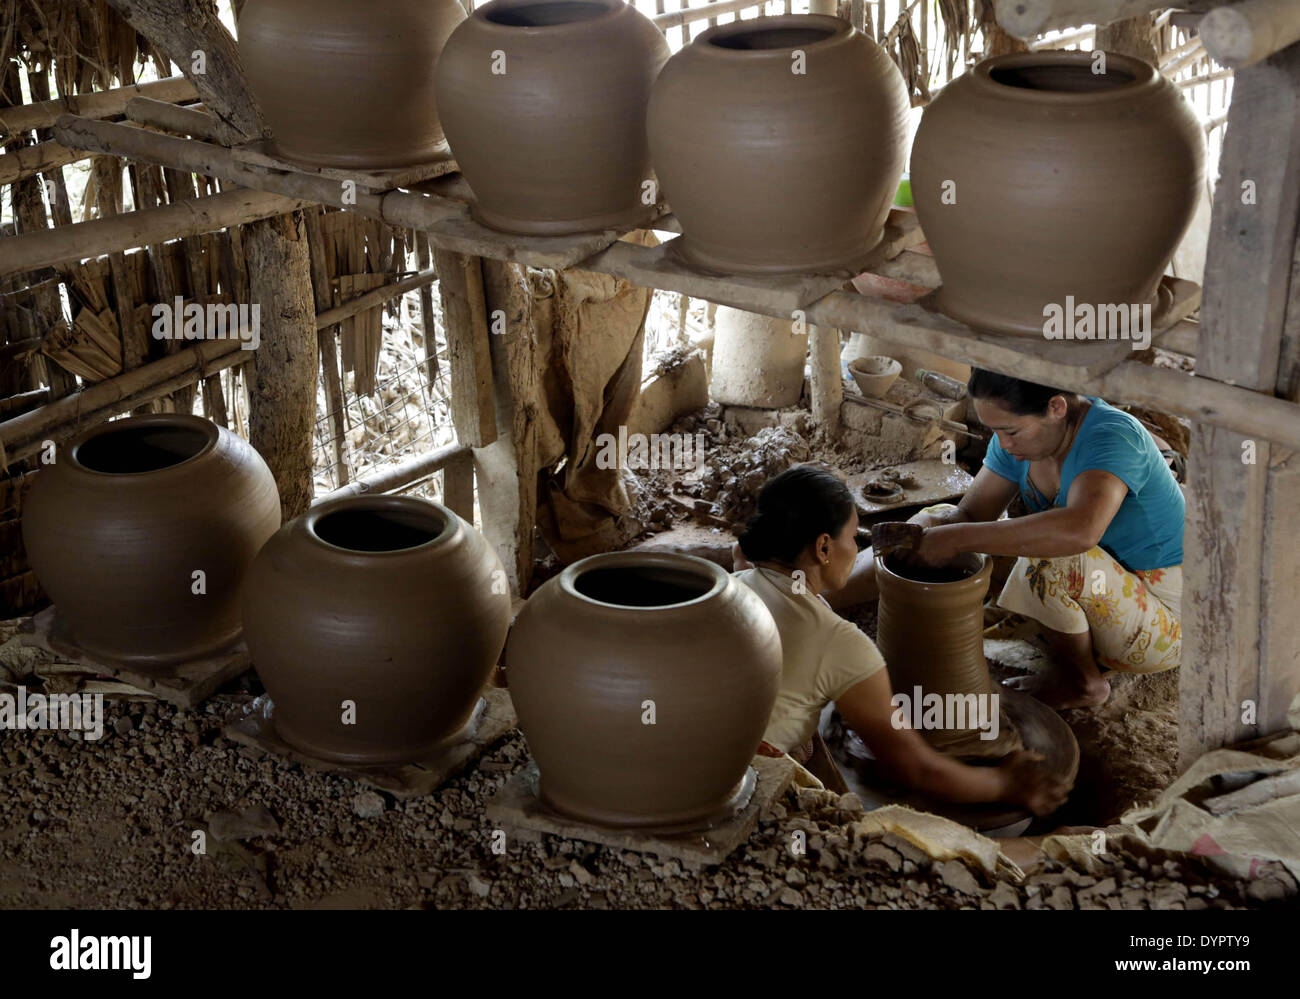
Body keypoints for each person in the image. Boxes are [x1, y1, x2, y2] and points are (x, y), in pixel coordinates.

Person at [732, 465, 1070, 816]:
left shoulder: (734, 584)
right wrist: (1007, 784)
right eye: (852, 537)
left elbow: (743, 559)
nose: (856, 548)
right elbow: (917, 769)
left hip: (688, 750)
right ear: (823, 547)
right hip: (734, 794)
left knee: (805, 736)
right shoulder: (842, 645)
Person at [901, 370, 1185, 709]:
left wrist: (955, 539)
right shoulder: (1021, 440)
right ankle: (833, 598)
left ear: (1056, 407)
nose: (1002, 443)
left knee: (1050, 557)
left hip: (1163, 620)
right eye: (994, 430)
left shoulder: (1115, 436)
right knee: (940, 518)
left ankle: (1084, 683)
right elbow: (971, 517)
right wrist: (933, 532)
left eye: (1009, 431)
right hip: (1100, 597)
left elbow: (1079, 531)